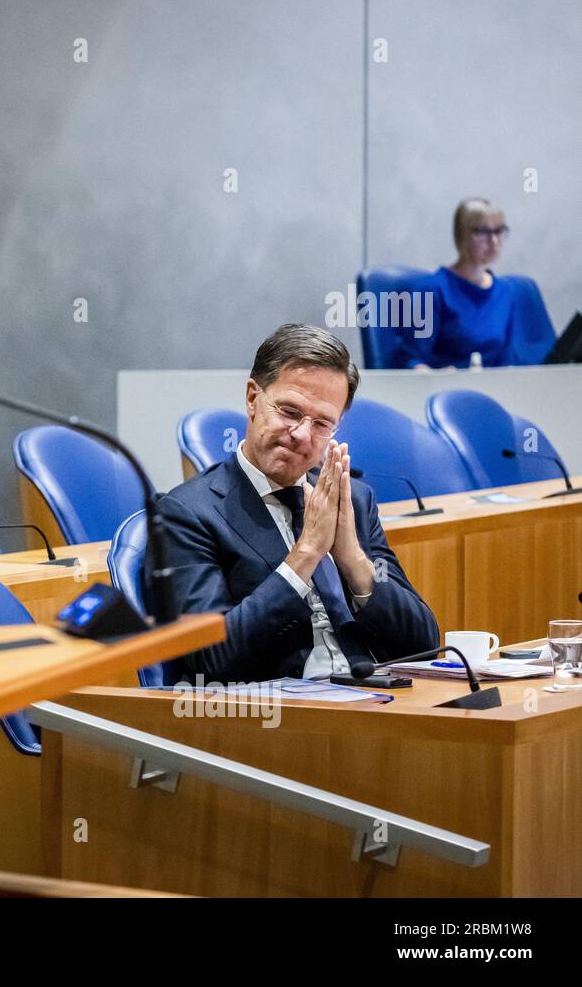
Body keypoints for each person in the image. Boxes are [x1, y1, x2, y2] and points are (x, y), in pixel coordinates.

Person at [159, 324, 439, 683]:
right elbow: (211, 660)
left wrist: (352, 557)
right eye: (290, 412)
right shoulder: (188, 512)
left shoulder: (351, 499)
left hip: (371, 695)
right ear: (251, 399)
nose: (302, 435)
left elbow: (425, 644)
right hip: (278, 714)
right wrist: (305, 554)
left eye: (322, 423)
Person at [393, 198, 555, 369]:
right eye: (482, 232)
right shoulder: (432, 290)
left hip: (498, 387)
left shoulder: (504, 292)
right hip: (449, 388)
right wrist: (433, 376)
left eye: (499, 231)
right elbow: (411, 358)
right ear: (461, 235)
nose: (493, 241)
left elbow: (506, 359)